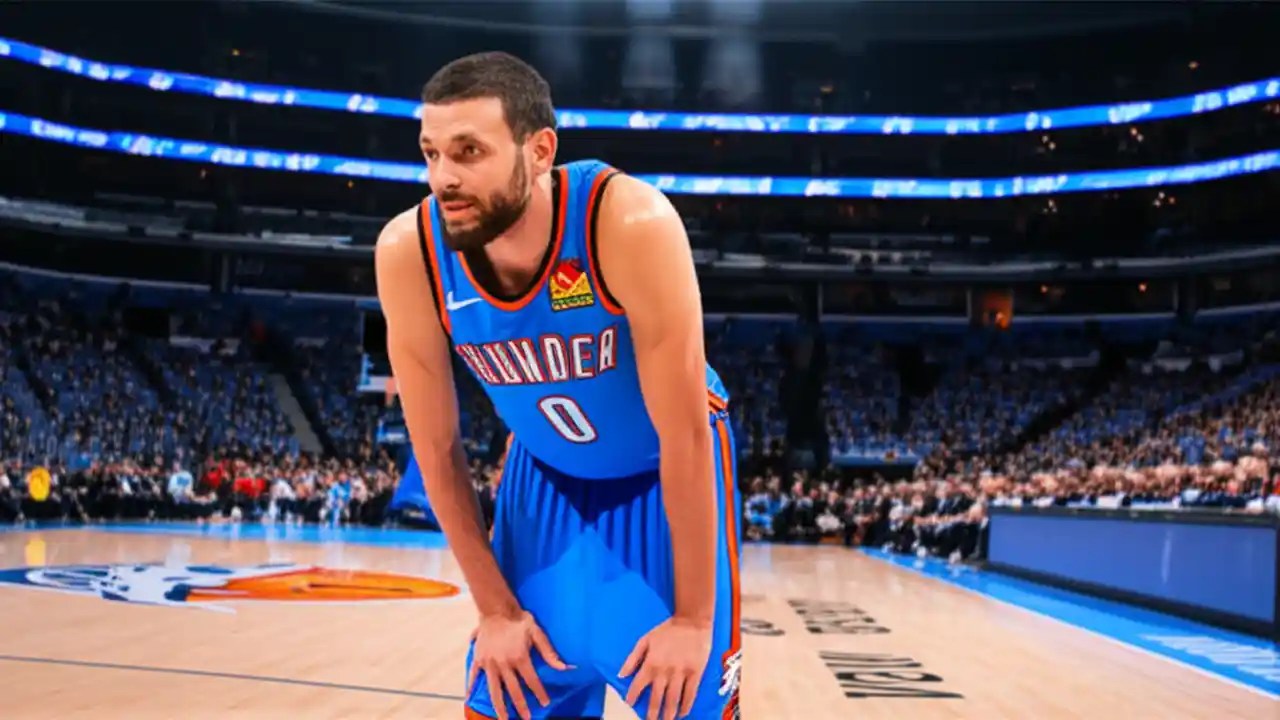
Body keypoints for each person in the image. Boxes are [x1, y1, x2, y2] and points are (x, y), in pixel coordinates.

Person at [375, 51, 741, 720]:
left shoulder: (627, 222)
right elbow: (435, 447)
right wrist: (494, 608)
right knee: (510, 688)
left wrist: (692, 620)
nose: (443, 178)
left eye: (468, 152)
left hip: (665, 475)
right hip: (542, 474)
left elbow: (685, 432)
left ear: (540, 150)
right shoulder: (410, 252)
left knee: (686, 699)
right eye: (430, 153)